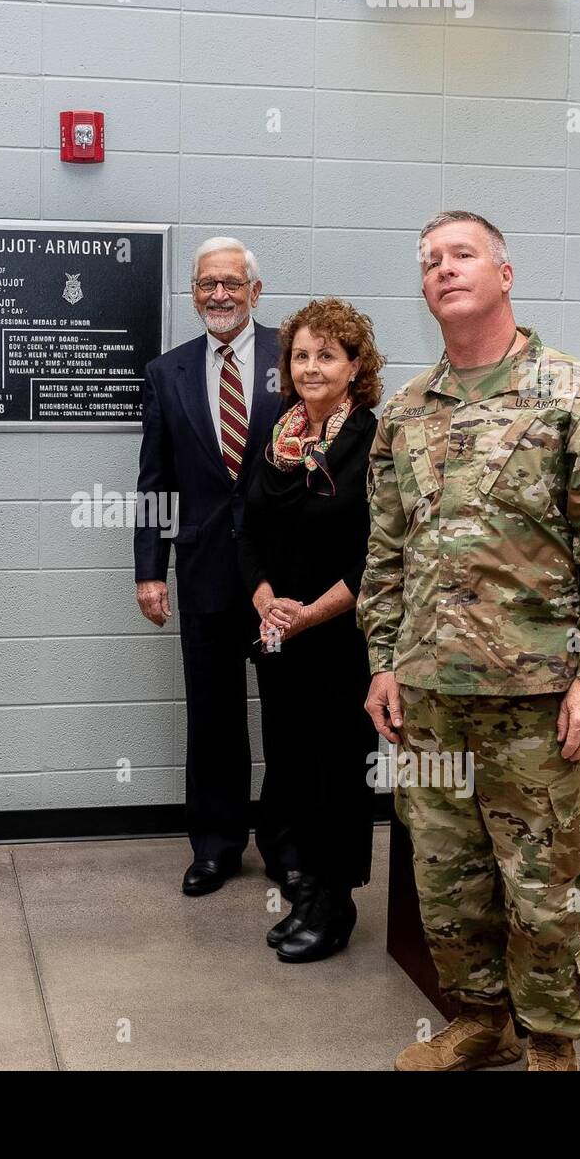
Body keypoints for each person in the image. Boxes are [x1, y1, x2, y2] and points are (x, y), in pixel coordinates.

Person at [358, 210, 580, 1071]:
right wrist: (384, 662)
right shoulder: (408, 413)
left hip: (538, 702)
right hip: (429, 699)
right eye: (428, 262)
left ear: (504, 273)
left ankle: (552, 1044)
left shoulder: (573, 396)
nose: (442, 270)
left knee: (543, 888)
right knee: (446, 879)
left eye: (461, 255)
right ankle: (482, 1020)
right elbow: (386, 554)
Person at [135, 237, 296, 897]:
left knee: (286, 713)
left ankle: (286, 844)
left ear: (255, 292)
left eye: (232, 283)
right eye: (207, 285)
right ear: (194, 293)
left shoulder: (296, 357)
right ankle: (216, 843)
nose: (219, 295)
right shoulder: (166, 372)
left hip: (282, 579)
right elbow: (155, 479)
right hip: (202, 571)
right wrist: (150, 568)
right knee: (212, 716)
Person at [239, 299, 382, 962]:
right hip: (279, 638)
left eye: (327, 354)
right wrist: (267, 598)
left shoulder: (373, 441)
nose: (311, 366)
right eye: (300, 354)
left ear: (355, 365)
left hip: (339, 639)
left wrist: (308, 612)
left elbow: (378, 552)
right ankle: (307, 892)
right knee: (293, 765)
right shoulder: (276, 434)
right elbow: (248, 528)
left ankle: (336, 900)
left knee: (337, 772)